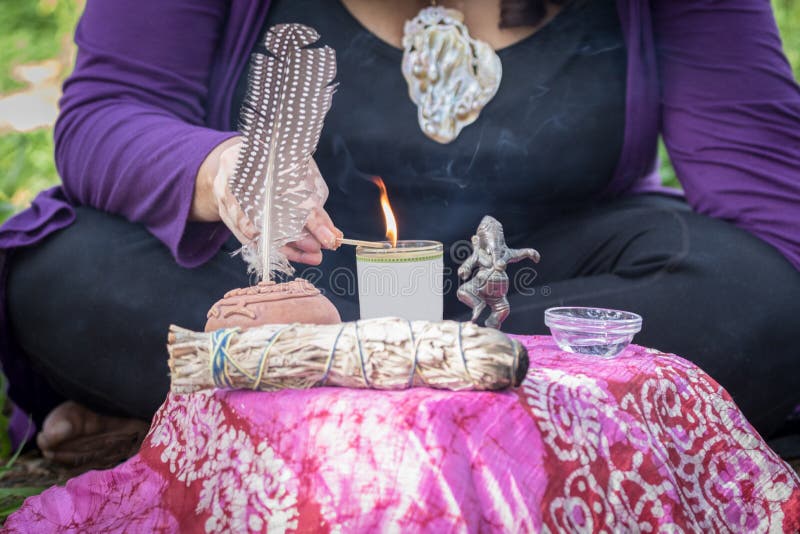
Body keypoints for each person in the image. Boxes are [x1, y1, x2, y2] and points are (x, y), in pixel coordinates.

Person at [0, 0, 798, 466]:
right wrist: (221, 168)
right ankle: (503, 429)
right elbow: (105, 117)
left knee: (754, 295)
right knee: (71, 271)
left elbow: (773, 197)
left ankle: (254, 418)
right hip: (284, 291)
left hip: (528, 296)